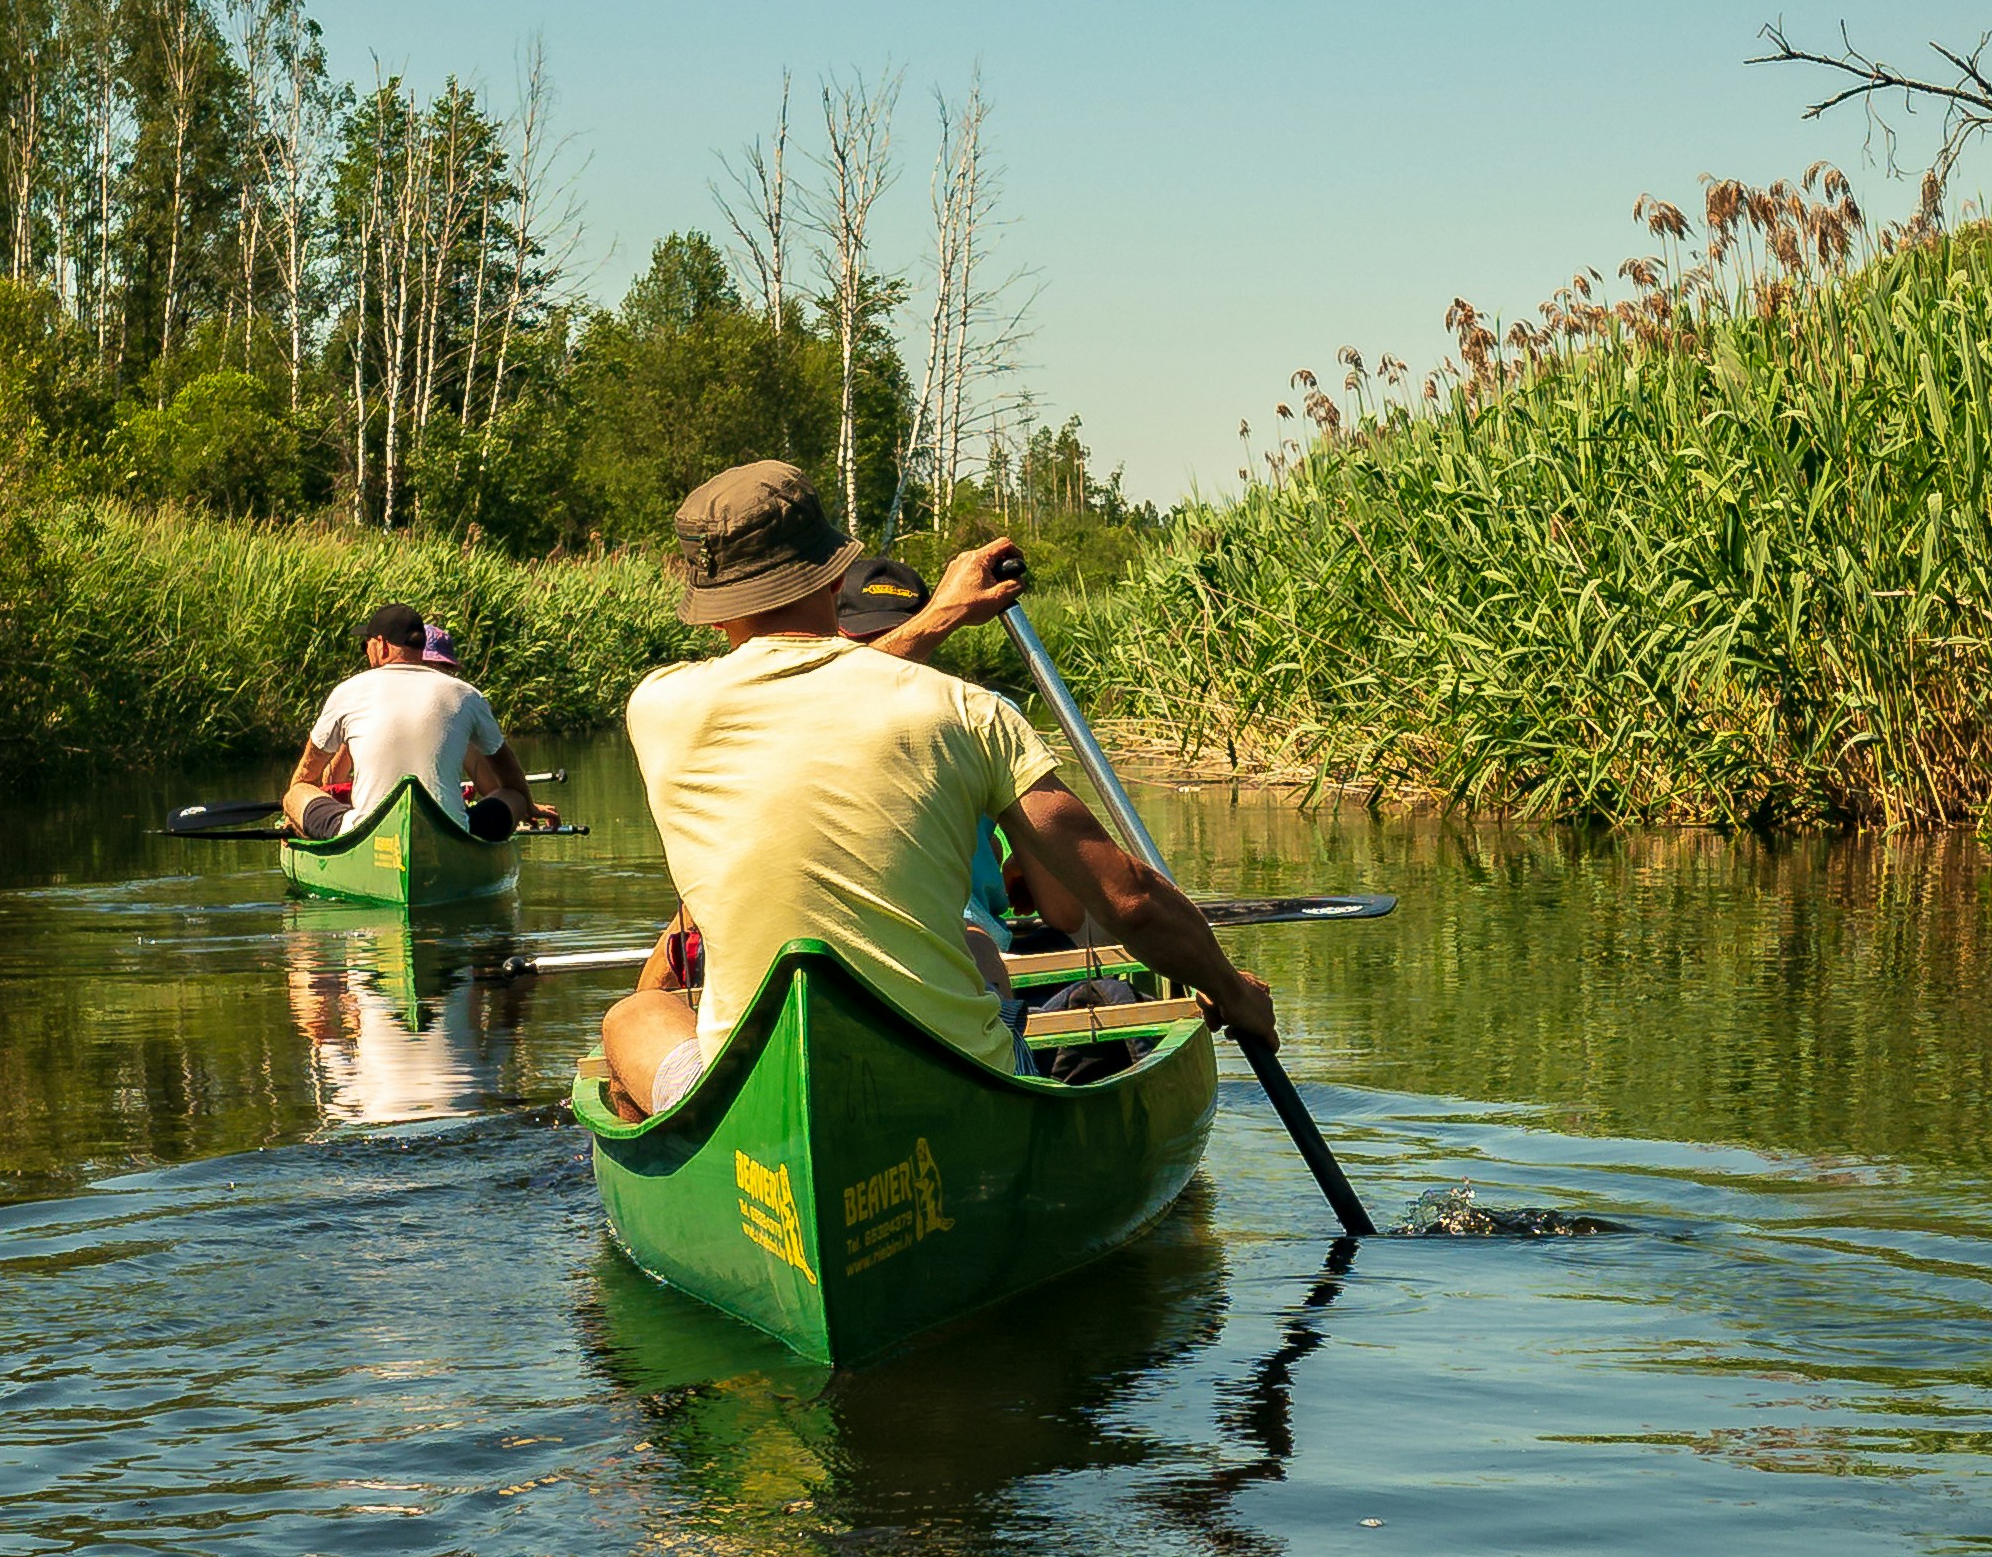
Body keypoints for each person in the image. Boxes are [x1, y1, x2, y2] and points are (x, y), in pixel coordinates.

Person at [596, 462, 1273, 1119]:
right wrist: (1228, 987)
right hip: (955, 1083)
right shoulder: (965, 710)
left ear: (715, 615)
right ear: (833, 576)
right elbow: (1128, 900)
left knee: (635, 1015)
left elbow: (817, 691)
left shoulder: (658, 708)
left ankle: (694, 1178)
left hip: (760, 1101)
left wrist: (938, 619)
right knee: (980, 959)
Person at [285, 605, 549, 843]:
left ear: (382, 645)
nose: (366, 652)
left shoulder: (347, 691)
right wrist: (529, 806)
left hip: (366, 834)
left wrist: (293, 815)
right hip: (450, 832)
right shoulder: (468, 695)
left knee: (295, 792)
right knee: (514, 794)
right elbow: (508, 771)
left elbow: (307, 774)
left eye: (366, 645)